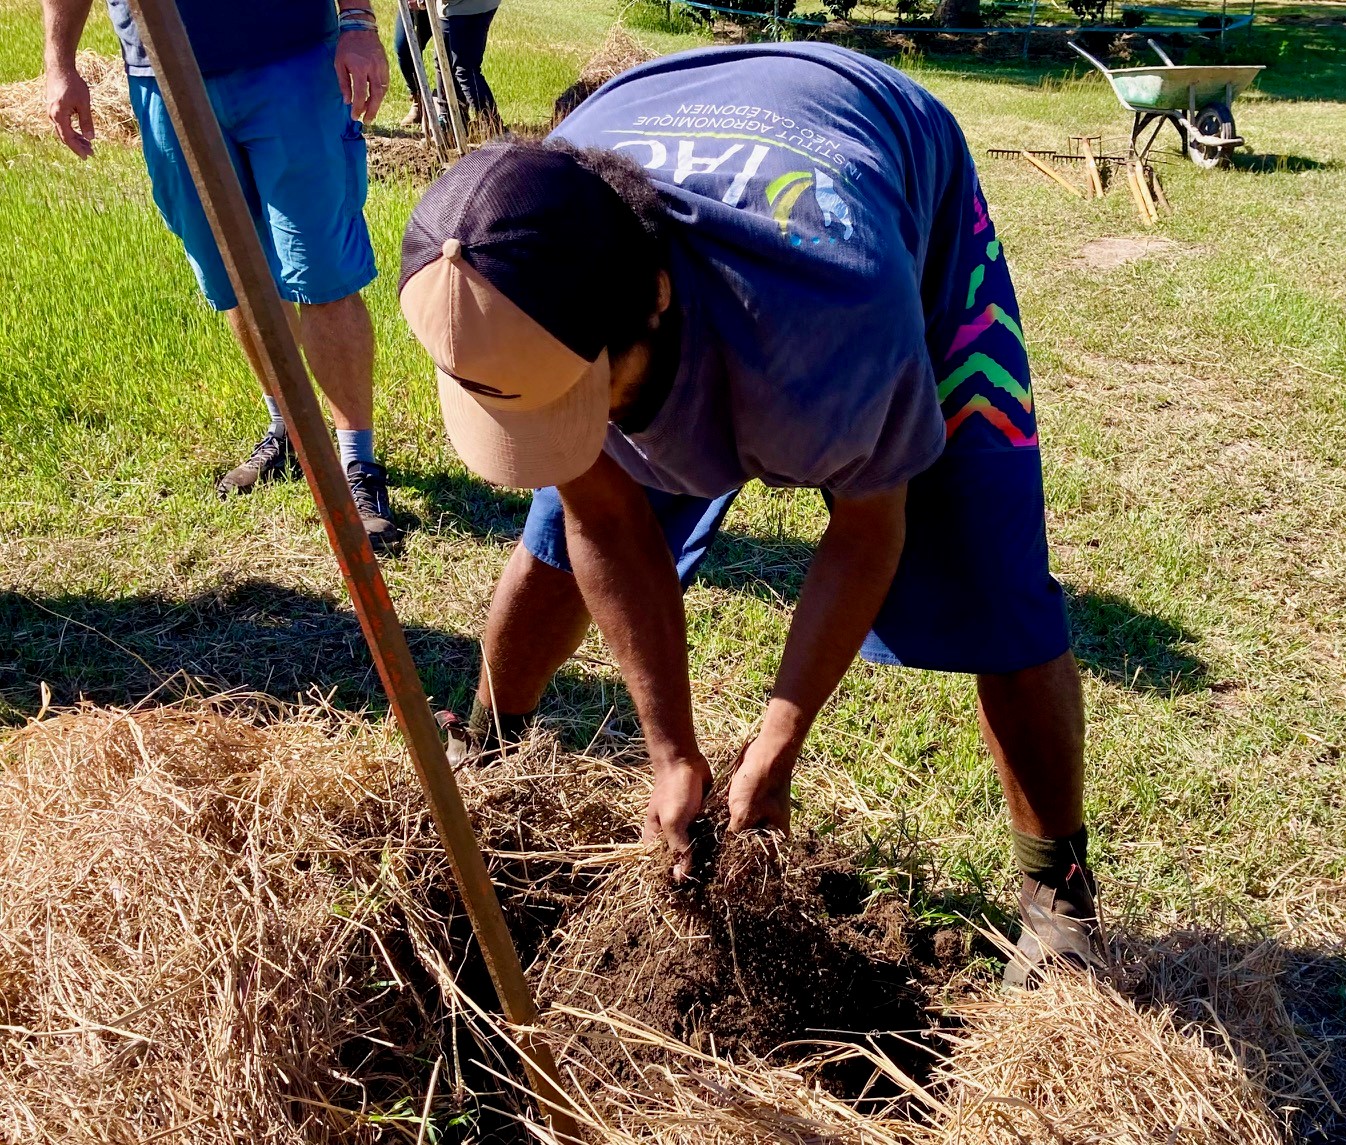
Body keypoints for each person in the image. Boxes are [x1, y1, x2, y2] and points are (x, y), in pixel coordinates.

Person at [403, 43, 1096, 984]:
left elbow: (867, 530)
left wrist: (778, 735)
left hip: (877, 174)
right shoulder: (522, 236)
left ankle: (1058, 898)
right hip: (665, 121)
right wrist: (671, 750)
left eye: (585, 395)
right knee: (557, 544)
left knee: (988, 569)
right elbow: (600, 519)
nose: (581, 429)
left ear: (650, 303)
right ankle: (488, 755)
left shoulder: (834, 315)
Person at [43, 0, 403, 552]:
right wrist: (60, 62)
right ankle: (290, 430)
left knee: (323, 273)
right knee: (235, 275)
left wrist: (357, 22)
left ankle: (357, 465)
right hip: (163, 77)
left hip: (292, 57)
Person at [394, 0, 501, 131]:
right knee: (443, 60)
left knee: (463, 67)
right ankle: (449, 120)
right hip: (455, 7)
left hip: (463, 7)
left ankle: (495, 128)